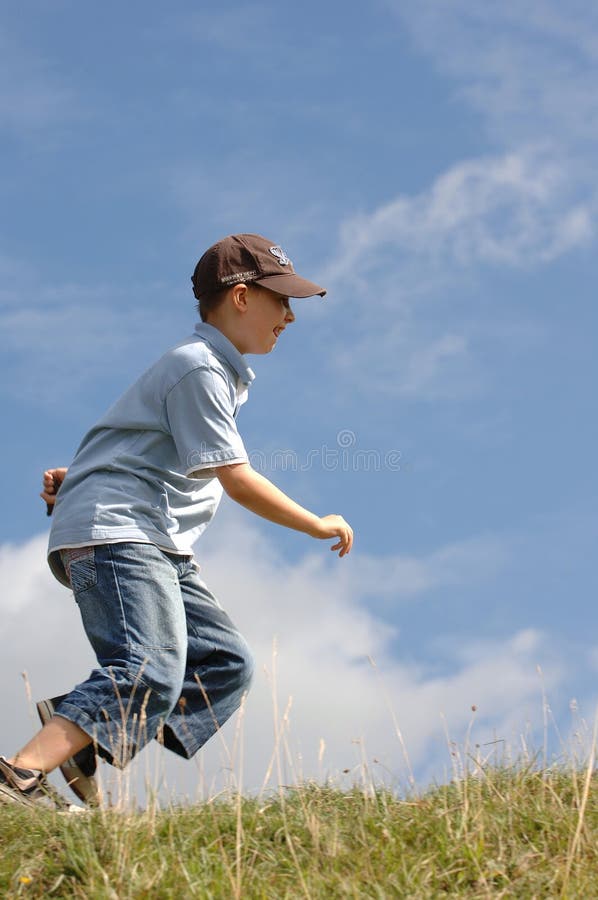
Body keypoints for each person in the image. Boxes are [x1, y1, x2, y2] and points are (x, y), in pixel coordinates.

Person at [0, 233, 353, 809]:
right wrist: (316, 523)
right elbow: (236, 479)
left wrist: (85, 476)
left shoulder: (214, 373)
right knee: (149, 669)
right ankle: (17, 775)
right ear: (240, 297)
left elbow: (134, 440)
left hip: (149, 539)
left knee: (225, 664)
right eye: (280, 300)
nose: (290, 315)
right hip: (120, 536)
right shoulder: (198, 369)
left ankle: (79, 733)